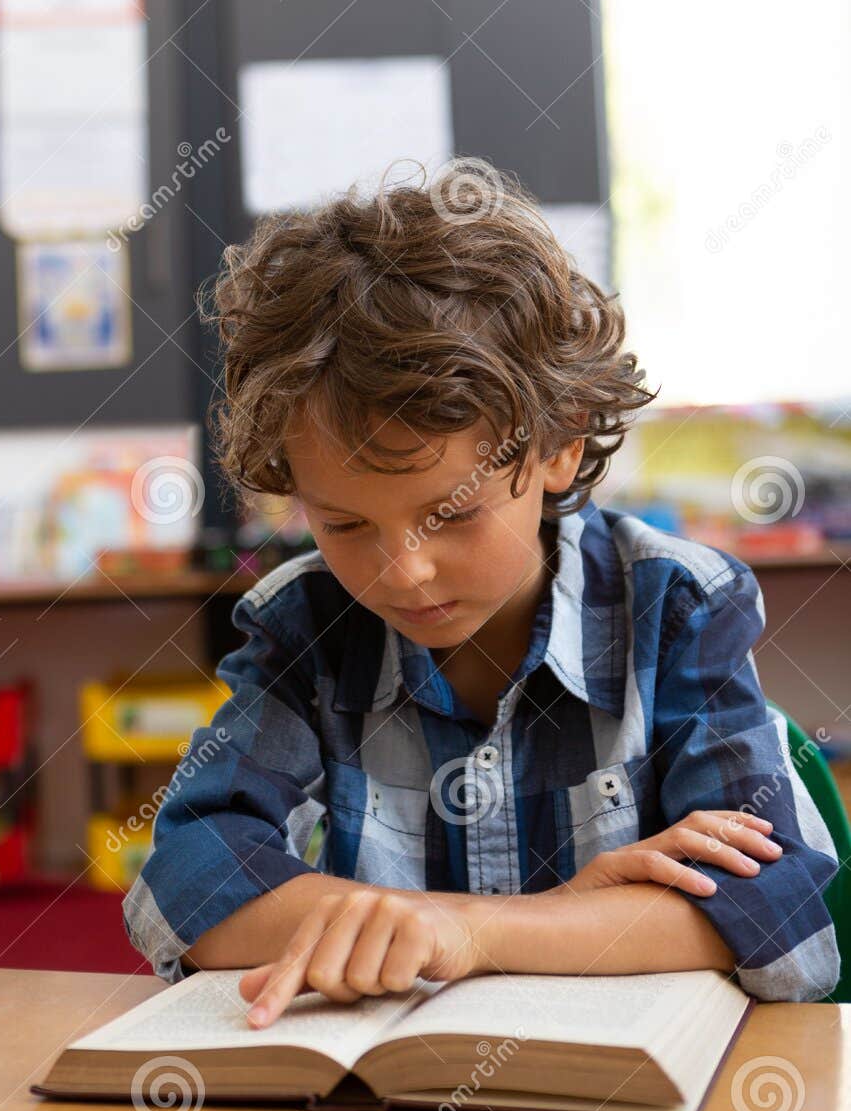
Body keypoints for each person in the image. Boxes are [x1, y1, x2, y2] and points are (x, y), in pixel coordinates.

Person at [123, 160, 839, 1025]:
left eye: (451, 515)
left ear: (558, 449)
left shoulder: (673, 607)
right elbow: (186, 882)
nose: (402, 570)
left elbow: (780, 925)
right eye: (345, 525)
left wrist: (468, 933)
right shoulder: (302, 626)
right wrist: (567, 919)